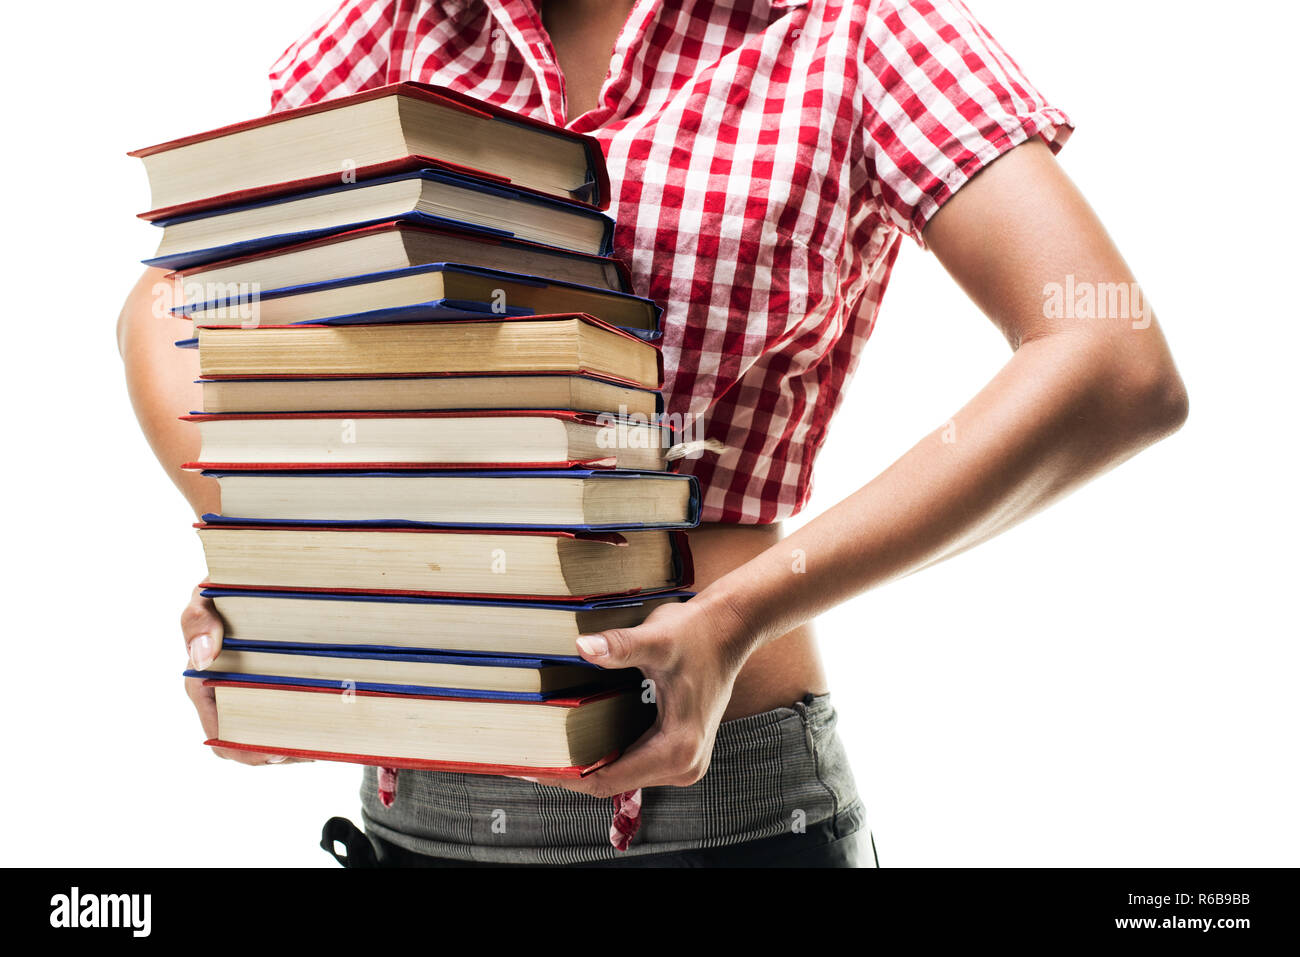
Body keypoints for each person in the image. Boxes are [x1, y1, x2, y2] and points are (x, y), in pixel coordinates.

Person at [118, 0, 1188, 867]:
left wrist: (737, 616)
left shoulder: (856, 29)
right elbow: (181, 300)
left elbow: (1105, 358)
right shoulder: (399, 28)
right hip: (412, 816)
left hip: (715, 820)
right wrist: (287, 559)